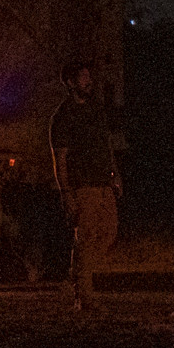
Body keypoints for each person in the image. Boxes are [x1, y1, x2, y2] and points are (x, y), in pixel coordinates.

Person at [51, 59, 120, 312]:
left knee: (108, 233)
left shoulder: (95, 109)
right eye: (82, 77)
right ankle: (84, 295)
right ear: (70, 83)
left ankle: (76, 273)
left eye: (88, 76)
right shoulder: (64, 116)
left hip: (103, 181)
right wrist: (66, 192)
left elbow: (107, 143)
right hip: (83, 186)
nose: (88, 81)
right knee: (87, 236)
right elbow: (59, 158)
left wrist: (115, 174)